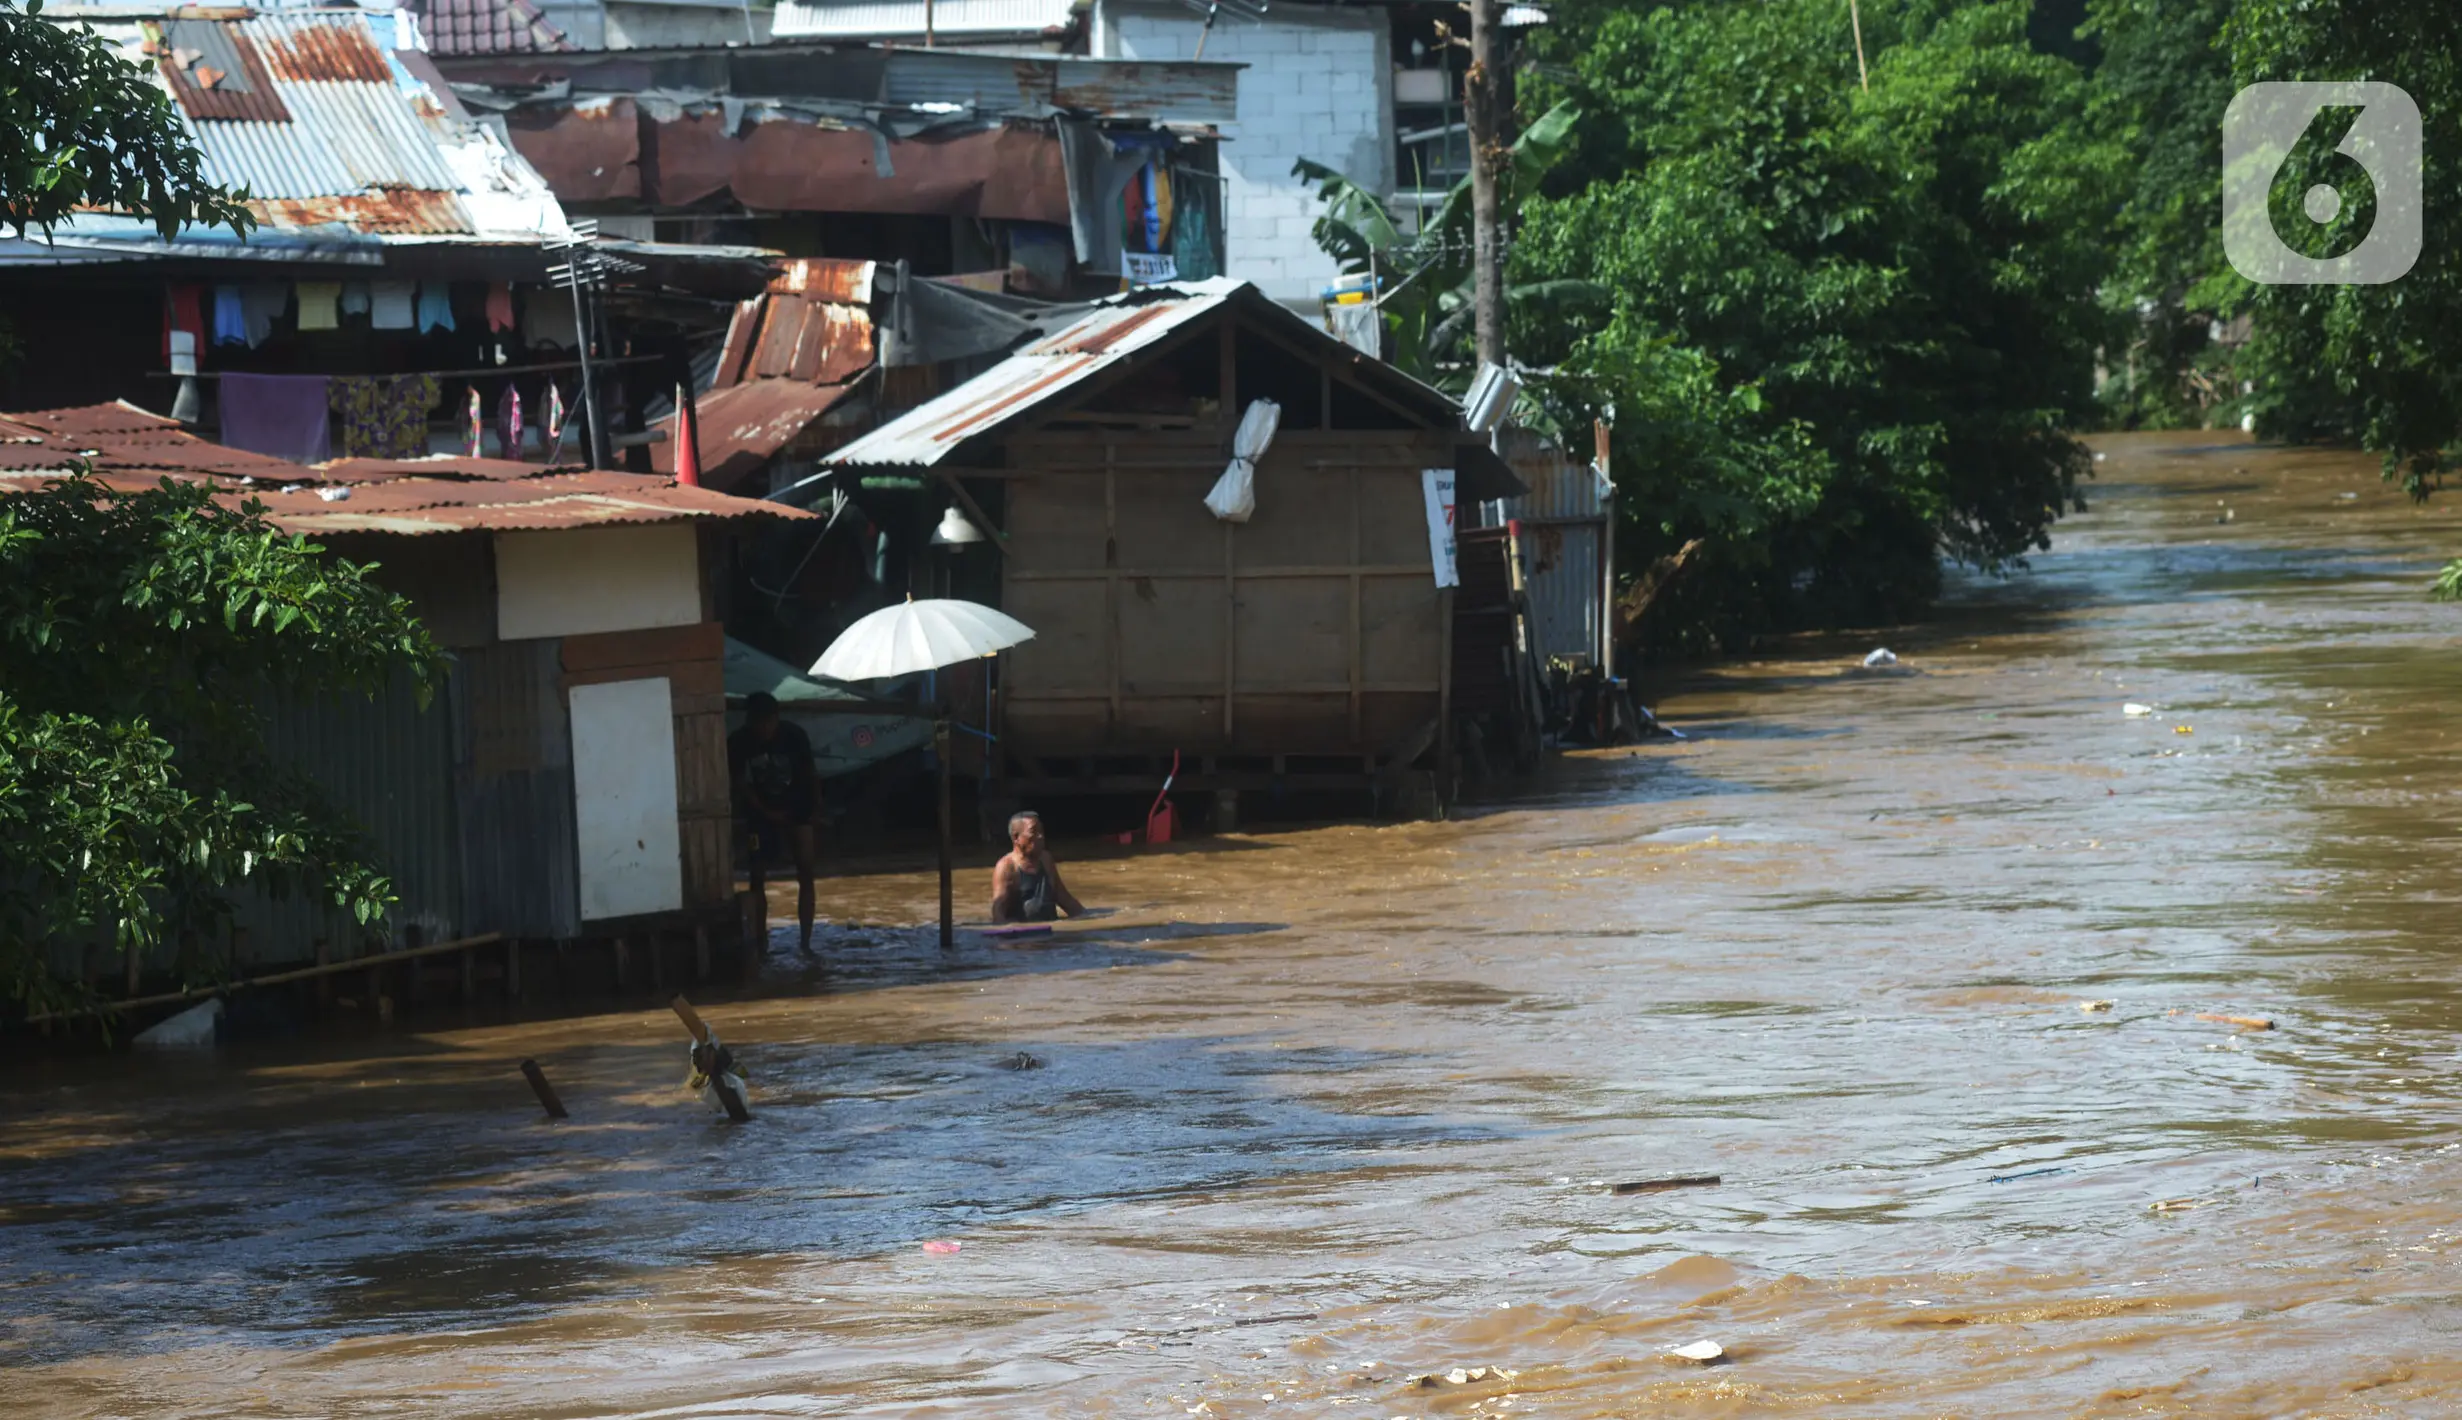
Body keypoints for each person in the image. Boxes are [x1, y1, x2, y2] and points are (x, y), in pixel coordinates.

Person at [729, 692, 819, 952]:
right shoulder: (740, 741)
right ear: (749, 721)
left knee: (806, 872)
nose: (763, 729)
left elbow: (811, 775)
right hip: (760, 812)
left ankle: (805, 941)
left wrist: (815, 809)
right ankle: (761, 940)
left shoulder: (794, 736)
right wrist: (767, 812)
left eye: (767, 722)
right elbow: (740, 785)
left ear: (776, 719)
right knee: (757, 877)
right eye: (757, 723)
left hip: (797, 808)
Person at [991, 810, 1083, 924]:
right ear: (1016, 838)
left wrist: (1089, 919)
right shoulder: (1007, 867)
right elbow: (998, 912)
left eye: (1041, 831)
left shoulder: (1046, 859)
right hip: (1024, 936)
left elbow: (1063, 897)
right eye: (1034, 832)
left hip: (1050, 931)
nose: (1040, 836)